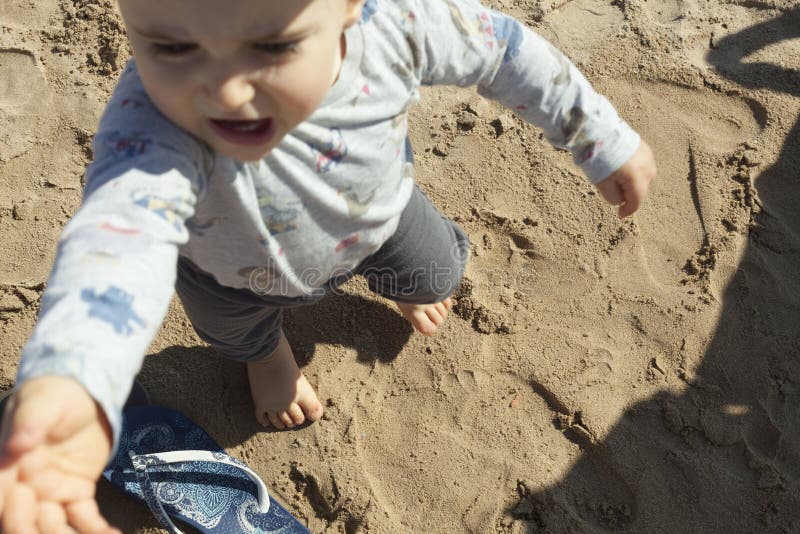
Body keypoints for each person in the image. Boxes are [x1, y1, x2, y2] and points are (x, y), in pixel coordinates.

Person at [0, 0, 656, 531]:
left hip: (380, 222)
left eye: (272, 46)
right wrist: (71, 378)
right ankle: (268, 356)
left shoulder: (395, 28)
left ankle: (400, 290)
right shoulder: (150, 126)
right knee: (236, 332)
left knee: (437, 276)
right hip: (226, 276)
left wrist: (595, 132)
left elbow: (505, 50)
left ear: (347, 7)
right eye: (170, 47)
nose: (226, 92)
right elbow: (117, 241)